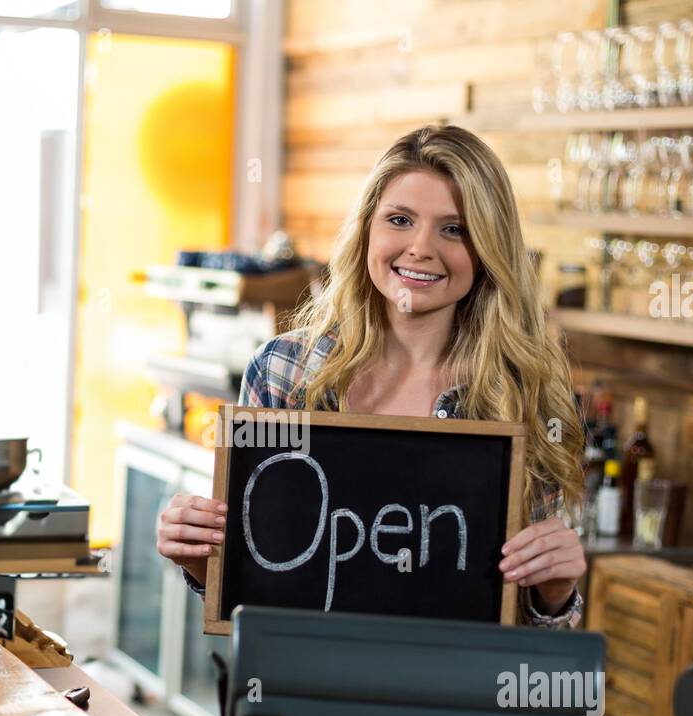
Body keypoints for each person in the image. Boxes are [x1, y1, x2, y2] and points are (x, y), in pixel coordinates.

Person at [156, 125, 586, 627]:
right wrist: (198, 558)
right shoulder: (284, 372)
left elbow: (530, 629)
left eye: (455, 229)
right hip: (296, 689)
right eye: (400, 220)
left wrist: (554, 595)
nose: (421, 248)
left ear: (489, 249)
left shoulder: (526, 396)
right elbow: (258, 582)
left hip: (453, 695)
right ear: (366, 230)